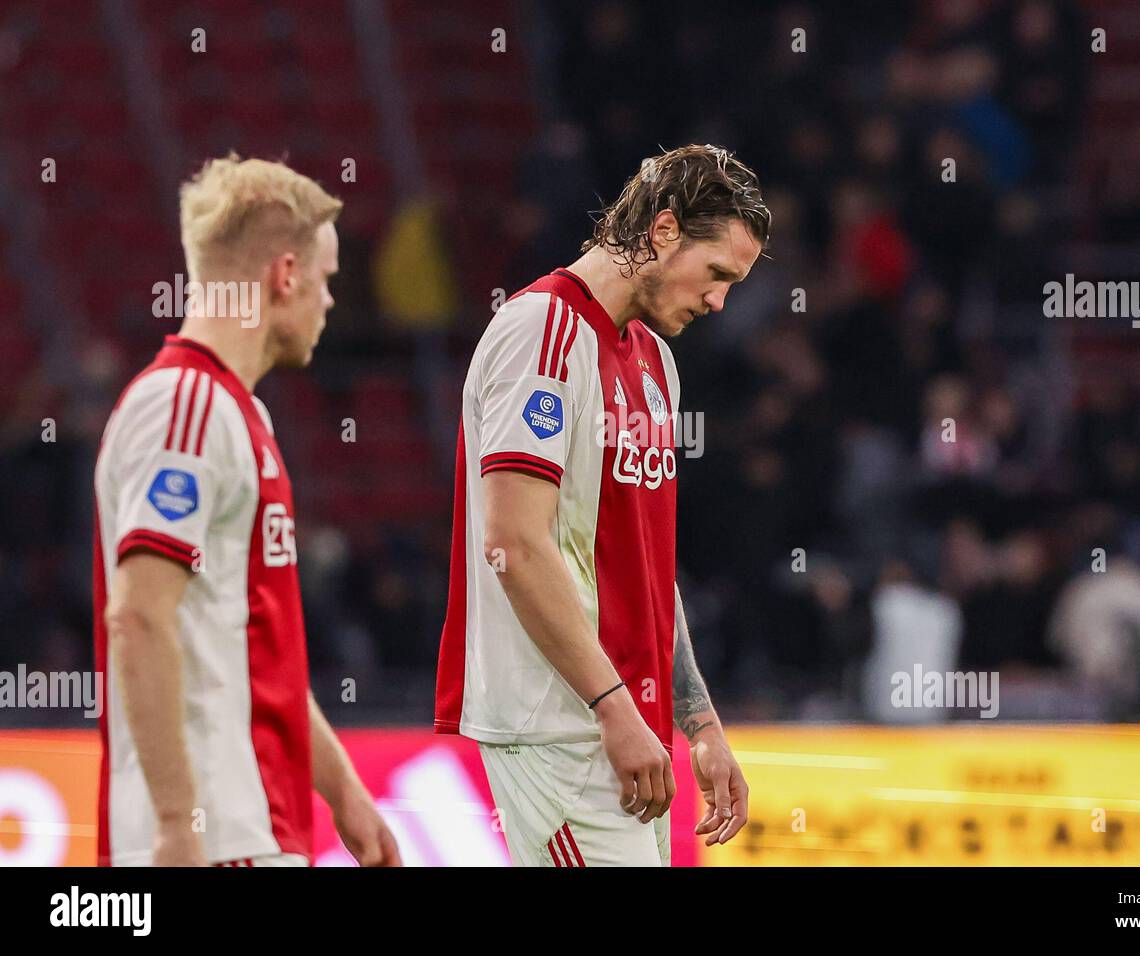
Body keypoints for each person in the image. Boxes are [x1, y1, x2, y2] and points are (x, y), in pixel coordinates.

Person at [435, 144, 768, 866]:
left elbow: (647, 566)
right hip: (560, 726)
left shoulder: (655, 361)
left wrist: (699, 721)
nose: (719, 302)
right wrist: (613, 708)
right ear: (665, 231)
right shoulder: (543, 335)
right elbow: (515, 546)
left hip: (623, 729)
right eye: (717, 275)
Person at [94, 155, 400, 867]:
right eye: (325, 280)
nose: (329, 301)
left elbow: (255, 646)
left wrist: (342, 788)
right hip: (215, 838)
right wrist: (177, 823)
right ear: (284, 274)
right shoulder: (187, 407)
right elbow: (138, 616)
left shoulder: (234, 412)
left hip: (254, 830)